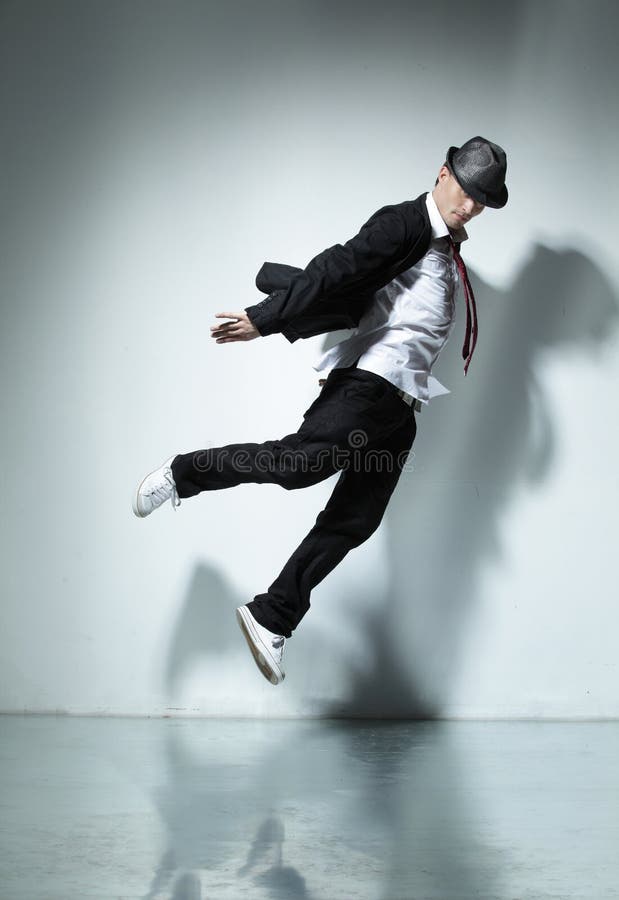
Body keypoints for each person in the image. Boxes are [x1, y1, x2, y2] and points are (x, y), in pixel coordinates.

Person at [132, 136, 508, 686]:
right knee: (296, 467)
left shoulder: (443, 248)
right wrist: (265, 318)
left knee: (354, 520)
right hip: (369, 387)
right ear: (443, 172)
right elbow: (336, 268)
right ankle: (183, 472)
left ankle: (271, 617)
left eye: (483, 200)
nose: (471, 206)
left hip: (401, 406)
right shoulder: (404, 224)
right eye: (468, 191)